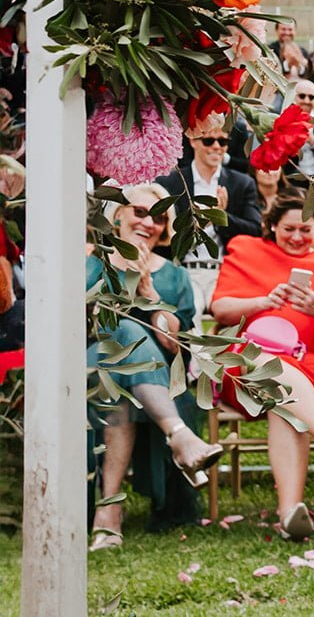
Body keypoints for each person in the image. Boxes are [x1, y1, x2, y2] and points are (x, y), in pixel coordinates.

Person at [210, 196, 314, 539]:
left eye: (306, 229)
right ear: (273, 226)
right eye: (289, 228)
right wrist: (263, 302)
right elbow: (220, 310)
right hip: (245, 360)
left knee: (282, 400)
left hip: (313, 362)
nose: (297, 236)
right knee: (266, 367)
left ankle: (290, 512)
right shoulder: (245, 249)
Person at [87, 185, 221, 548]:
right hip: (87, 365)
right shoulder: (90, 260)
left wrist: (149, 296)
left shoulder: (174, 276)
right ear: (118, 215)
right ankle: (179, 435)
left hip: (147, 377)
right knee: (126, 333)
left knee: (125, 374)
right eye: (140, 212)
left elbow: (172, 342)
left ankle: (108, 511)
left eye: (159, 217)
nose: (149, 222)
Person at [155, 114, 261, 322]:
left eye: (222, 141)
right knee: (189, 314)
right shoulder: (171, 182)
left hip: (225, 273)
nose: (217, 147)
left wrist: (221, 218)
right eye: (209, 140)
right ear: (194, 141)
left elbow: (255, 229)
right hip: (184, 270)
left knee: (238, 318)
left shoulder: (242, 183)